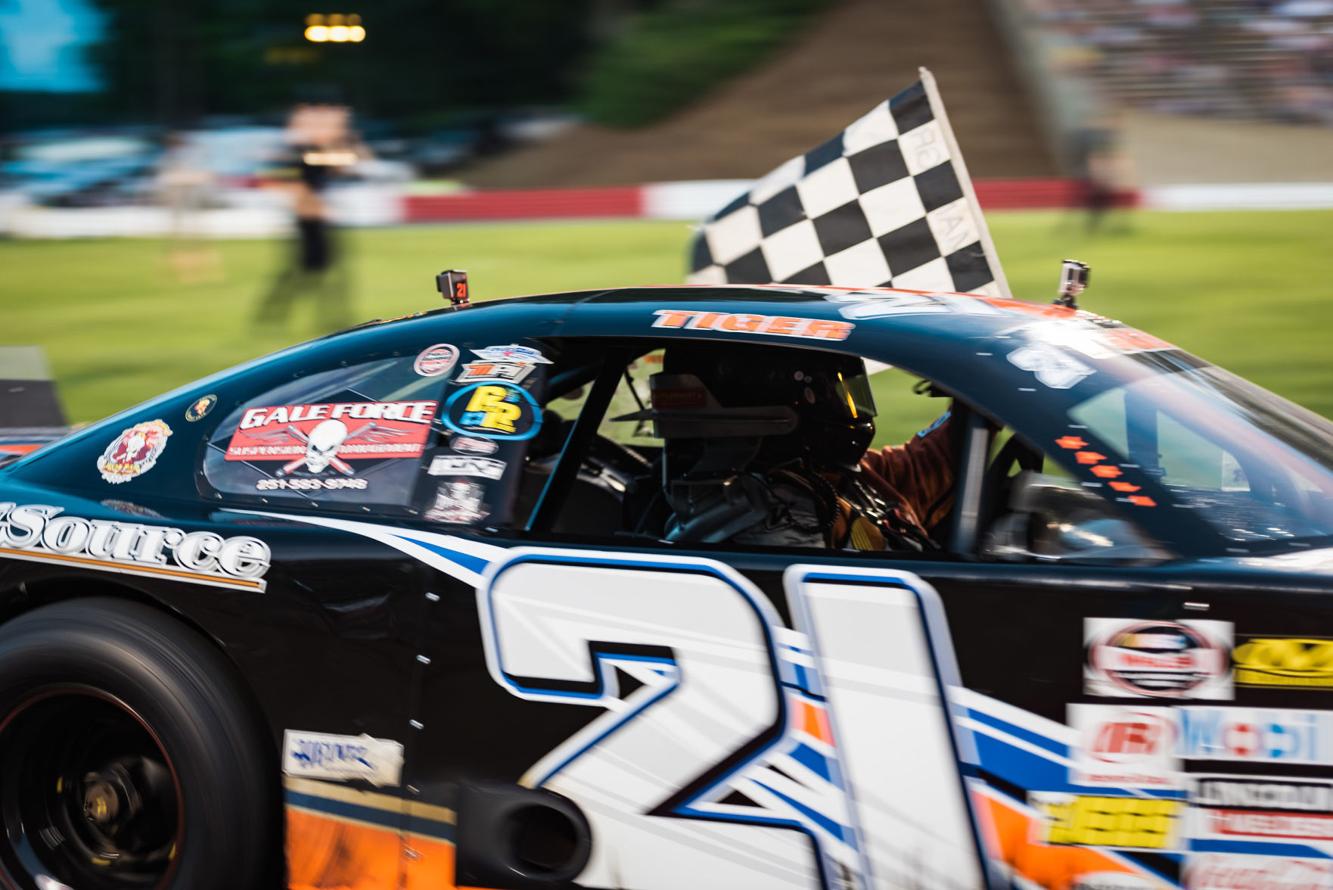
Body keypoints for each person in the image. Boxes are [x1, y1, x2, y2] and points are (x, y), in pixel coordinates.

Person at [647, 343, 956, 551]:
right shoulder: (773, 521)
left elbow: (930, 463)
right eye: (838, 393)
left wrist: (970, 400)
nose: (853, 408)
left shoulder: (838, 480)